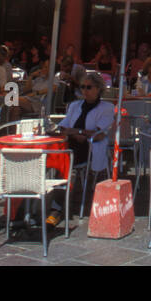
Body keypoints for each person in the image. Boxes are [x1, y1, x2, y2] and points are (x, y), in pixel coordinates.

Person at [49, 72, 117, 226]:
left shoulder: (107, 108)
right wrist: (75, 133)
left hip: (89, 147)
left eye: (89, 87)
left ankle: (56, 207)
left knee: (64, 162)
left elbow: (99, 134)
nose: (85, 90)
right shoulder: (74, 105)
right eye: (82, 87)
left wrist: (76, 132)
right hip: (72, 143)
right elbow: (64, 126)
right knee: (56, 155)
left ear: (99, 89)